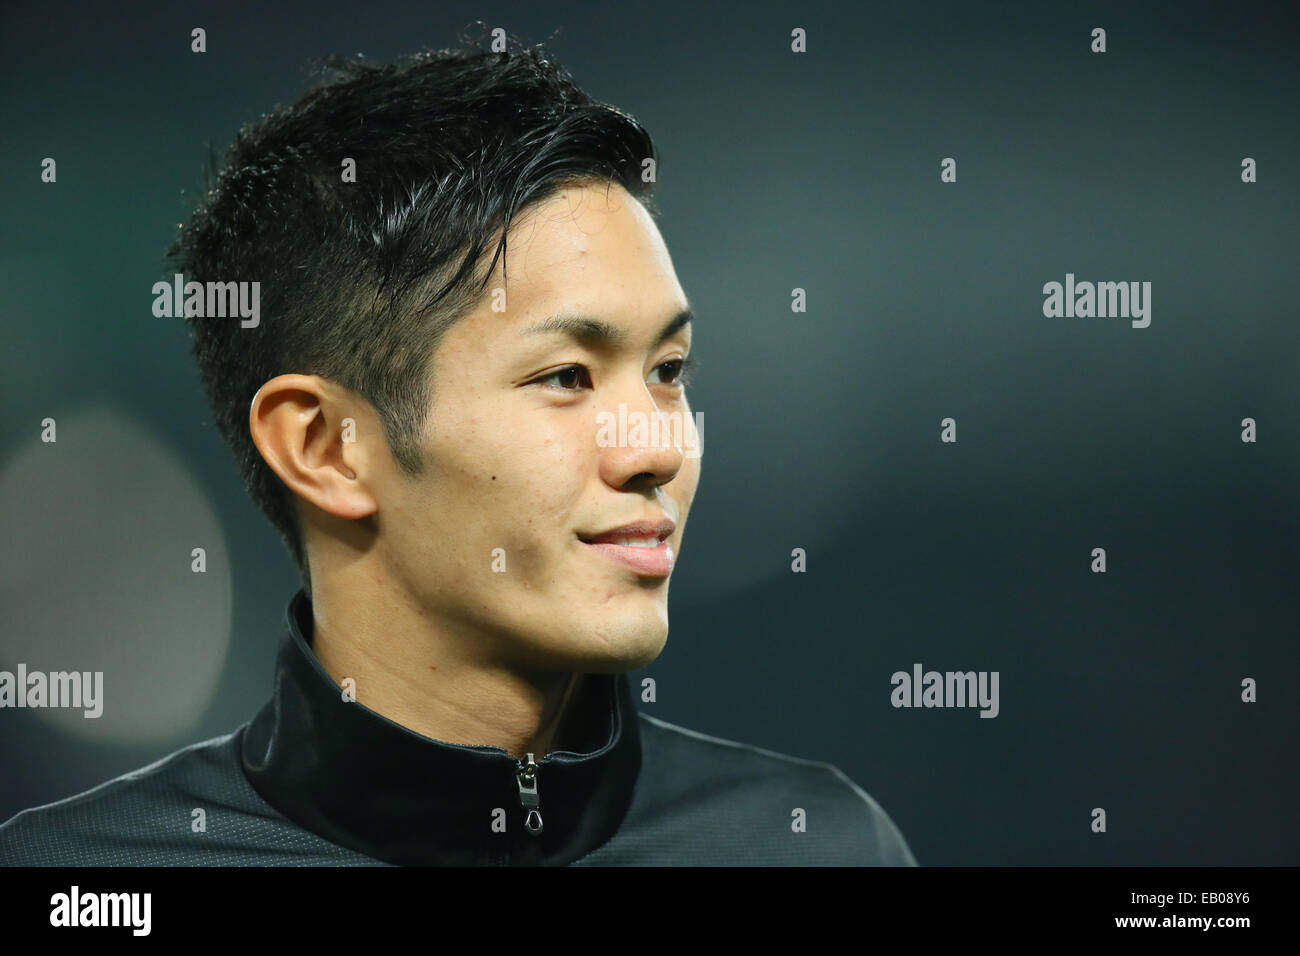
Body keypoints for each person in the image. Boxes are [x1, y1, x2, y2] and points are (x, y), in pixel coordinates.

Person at [0, 35, 915, 866]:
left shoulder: (818, 844)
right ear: (325, 446)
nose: (659, 450)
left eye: (669, 370)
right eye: (566, 377)